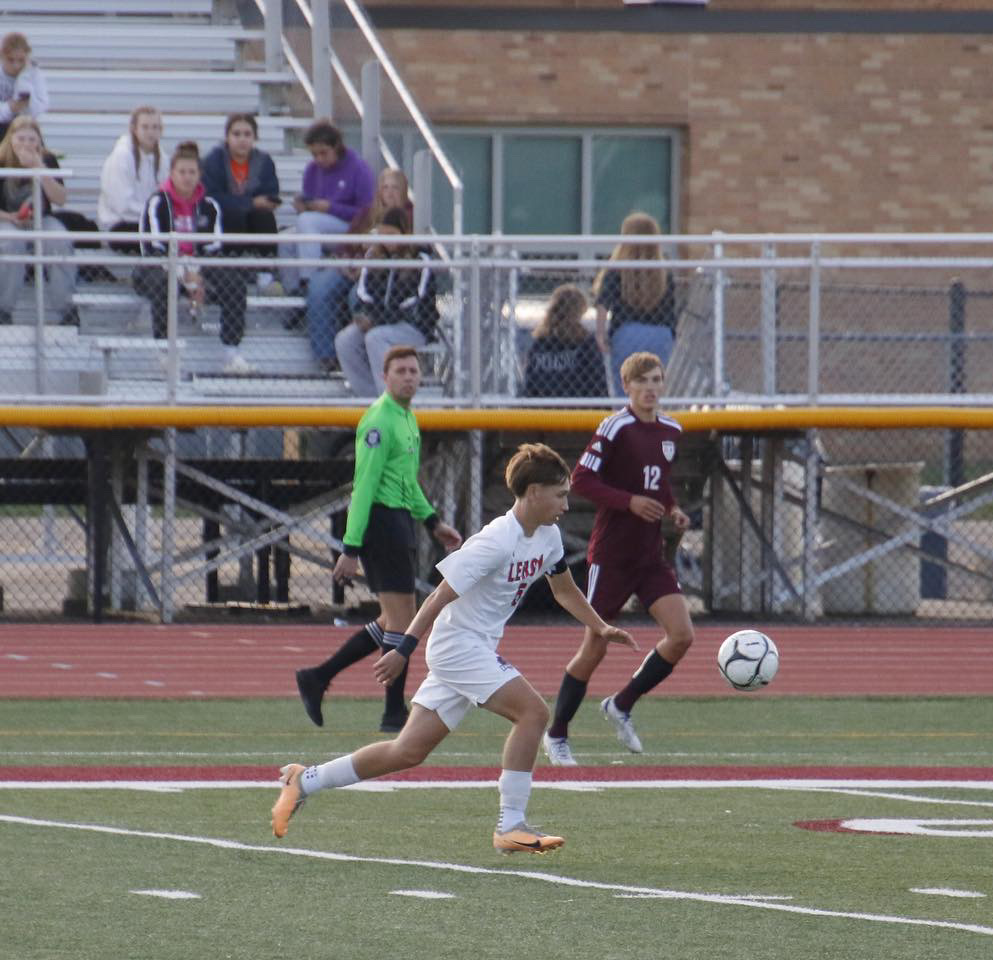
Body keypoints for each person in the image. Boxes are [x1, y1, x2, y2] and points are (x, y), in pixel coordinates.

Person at [272, 443, 637, 854]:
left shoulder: (548, 537)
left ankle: (305, 780)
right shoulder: (495, 541)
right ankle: (510, 825)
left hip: (473, 647)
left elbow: (564, 590)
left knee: (407, 751)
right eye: (560, 494)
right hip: (457, 646)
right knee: (533, 712)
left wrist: (601, 626)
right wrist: (401, 649)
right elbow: (437, 597)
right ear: (533, 492)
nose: (566, 505)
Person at [295, 345, 462, 733]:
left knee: (392, 618)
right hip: (381, 524)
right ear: (385, 378)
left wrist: (432, 521)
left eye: (413, 371)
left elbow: (406, 480)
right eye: (400, 371)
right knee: (404, 618)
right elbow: (365, 486)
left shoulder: (407, 418)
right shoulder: (379, 421)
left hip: (399, 521)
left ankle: (318, 677)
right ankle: (392, 711)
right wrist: (350, 548)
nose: (408, 377)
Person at [542, 351, 693, 766]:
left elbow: (659, 486)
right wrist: (629, 502)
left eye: (657, 379)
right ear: (626, 386)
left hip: (649, 556)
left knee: (681, 635)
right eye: (641, 380)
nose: (650, 387)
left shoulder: (670, 430)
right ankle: (556, 735)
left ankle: (621, 704)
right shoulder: (615, 426)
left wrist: (672, 508)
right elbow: (582, 479)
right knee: (595, 647)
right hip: (611, 556)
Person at [134, 141, 251, 372]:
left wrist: (196, 274)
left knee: (235, 284)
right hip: (161, 265)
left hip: (199, 265)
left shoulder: (209, 206)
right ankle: (166, 352)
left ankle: (231, 353)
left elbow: (213, 248)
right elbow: (154, 247)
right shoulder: (157, 202)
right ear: (172, 173)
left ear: (199, 175)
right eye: (182, 172)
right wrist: (184, 275)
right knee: (163, 284)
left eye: (192, 172)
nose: (187, 177)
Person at [302, 166, 412, 371]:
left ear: (404, 190)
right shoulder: (367, 213)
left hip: (380, 276)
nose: (389, 192)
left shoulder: (410, 215)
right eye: (385, 187)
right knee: (319, 286)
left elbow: (407, 251)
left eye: (395, 188)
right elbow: (346, 245)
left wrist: (366, 267)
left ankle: (363, 358)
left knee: (357, 297)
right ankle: (326, 357)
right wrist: (346, 263)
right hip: (353, 267)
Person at [334, 207, 439, 398]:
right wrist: (364, 316)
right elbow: (363, 293)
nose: (386, 240)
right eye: (382, 234)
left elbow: (414, 300)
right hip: (379, 322)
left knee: (375, 338)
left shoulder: (420, 258)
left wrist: (377, 320)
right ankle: (370, 397)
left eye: (392, 234)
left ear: (404, 233)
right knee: (345, 340)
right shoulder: (374, 256)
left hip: (413, 326)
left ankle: (390, 400)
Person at [277, 120, 375, 297]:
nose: (319, 159)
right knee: (285, 240)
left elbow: (366, 213)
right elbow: (310, 208)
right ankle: (293, 292)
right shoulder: (312, 170)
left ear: (336, 146)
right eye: (314, 154)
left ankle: (309, 282)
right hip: (318, 228)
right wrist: (304, 206)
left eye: (324, 153)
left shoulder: (359, 168)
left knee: (308, 221)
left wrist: (330, 208)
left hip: (350, 229)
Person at [0, 116, 76, 326]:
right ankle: (3, 309)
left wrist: (39, 169)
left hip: (41, 219)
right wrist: (11, 217)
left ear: (39, 141)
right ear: (11, 139)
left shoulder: (48, 160)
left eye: (31, 139)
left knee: (60, 240)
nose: (26, 144)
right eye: (21, 138)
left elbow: (60, 199)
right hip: (7, 218)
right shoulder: (2, 160)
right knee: (10, 242)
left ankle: (67, 307)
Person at [592, 211, 678, 397]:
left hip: (626, 332)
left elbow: (603, 303)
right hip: (660, 334)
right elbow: (672, 309)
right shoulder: (664, 271)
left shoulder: (617, 269)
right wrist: (672, 336)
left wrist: (600, 335)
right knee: (652, 391)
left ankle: (627, 423)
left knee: (626, 390)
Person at [200, 113, 281, 288]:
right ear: (227, 137)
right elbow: (210, 197)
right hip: (222, 221)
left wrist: (266, 201)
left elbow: (271, 191)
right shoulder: (214, 160)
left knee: (264, 216)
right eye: (236, 134)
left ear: (255, 137)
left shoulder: (264, 161)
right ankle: (231, 266)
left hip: (253, 221)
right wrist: (249, 203)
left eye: (247, 134)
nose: (242, 140)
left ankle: (265, 271)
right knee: (233, 212)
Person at [97, 106, 167, 252]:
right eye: (145, 127)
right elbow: (122, 206)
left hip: (147, 222)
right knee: (160, 239)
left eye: (155, 127)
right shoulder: (122, 157)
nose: (150, 132)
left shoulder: (162, 158)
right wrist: (154, 214)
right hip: (118, 225)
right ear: (134, 129)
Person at [521, 283, 608, 399]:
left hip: (542, 409)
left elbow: (529, 384)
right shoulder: (585, 342)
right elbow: (599, 383)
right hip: (579, 409)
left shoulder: (540, 342)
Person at [0, 33, 49, 142]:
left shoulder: (34, 74)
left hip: (25, 127)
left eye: (21, 60)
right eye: (10, 60)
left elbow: (41, 106)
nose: (16, 65)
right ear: (2, 56)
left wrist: (24, 78)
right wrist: (10, 108)